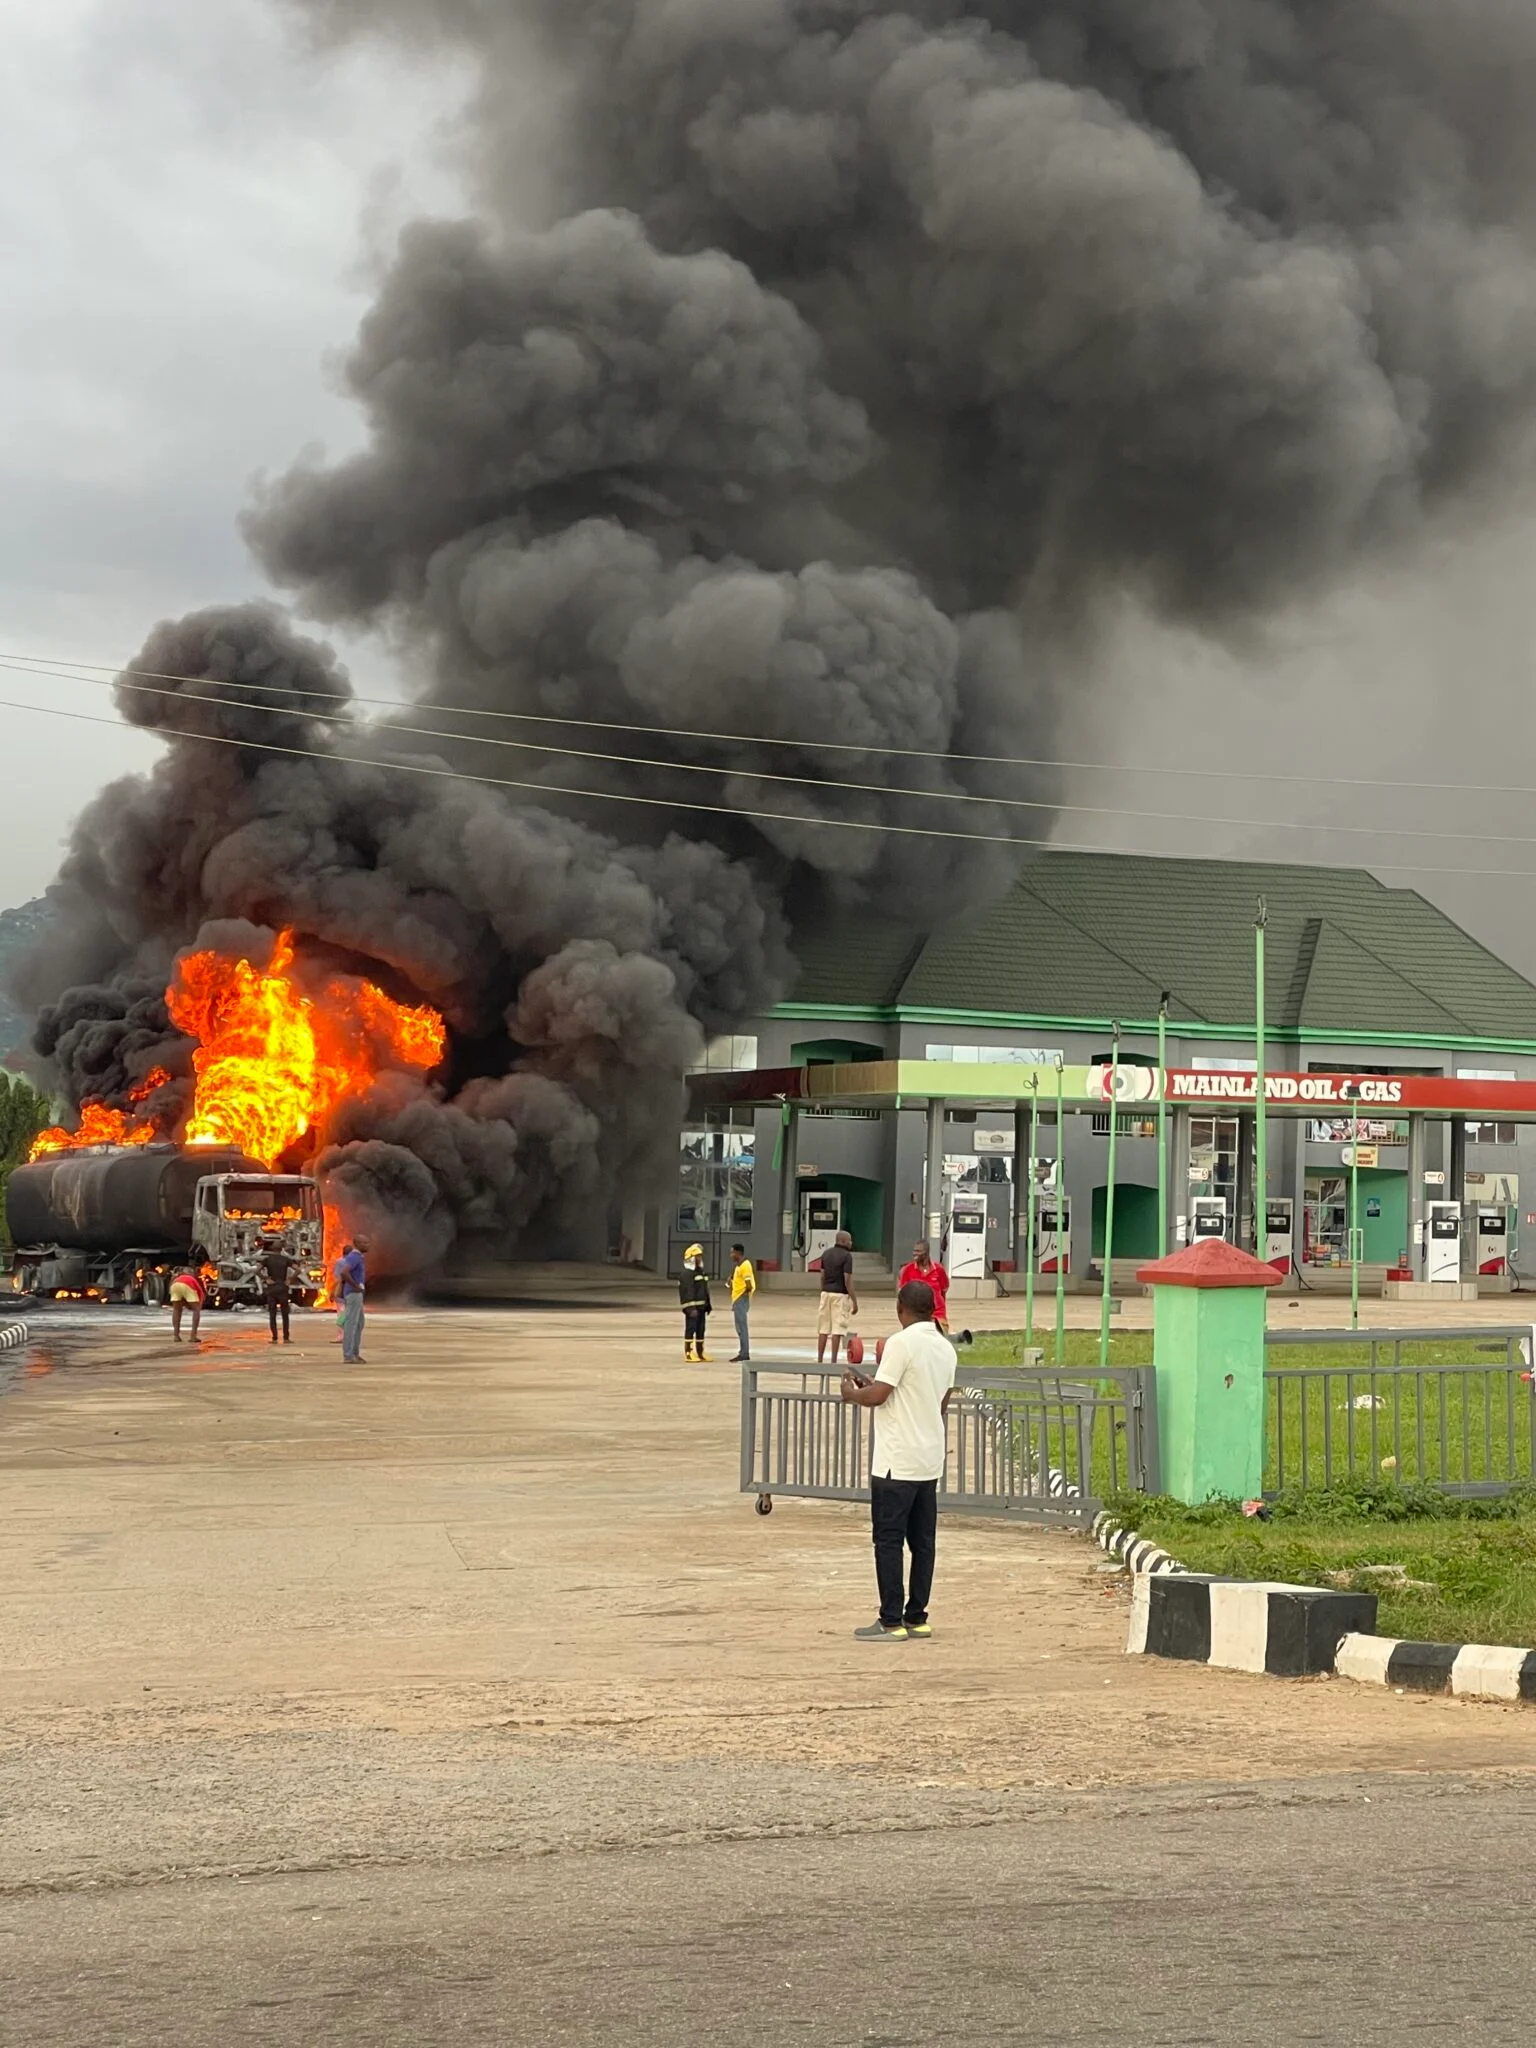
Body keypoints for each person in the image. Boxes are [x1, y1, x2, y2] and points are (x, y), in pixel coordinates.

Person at [840, 1277, 957, 1641]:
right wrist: (875, 1386)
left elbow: (878, 1397)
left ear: (901, 1309)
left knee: (889, 1540)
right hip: (928, 1459)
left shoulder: (900, 1344)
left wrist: (852, 1394)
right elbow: (938, 1403)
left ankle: (890, 1620)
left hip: (895, 1460)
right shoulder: (945, 1348)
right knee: (923, 1542)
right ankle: (916, 1617)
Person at [816, 1227, 858, 1367]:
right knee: (837, 1330)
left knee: (823, 1329)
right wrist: (854, 1300)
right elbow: (847, 1280)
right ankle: (833, 1361)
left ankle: (820, 1359)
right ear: (844, 1241)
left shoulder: (826, 1254)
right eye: (850, 1240)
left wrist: (823, 1289)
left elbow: (822, 1275)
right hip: (840, 1295)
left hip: (826, 1293)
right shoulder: (847, 1256)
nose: (851, 1243)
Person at [897, 1239, 950, 1334]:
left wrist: (940, 1310)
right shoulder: (908, 1270)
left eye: (918, 1251)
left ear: (926, 1252)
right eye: (914, 1251)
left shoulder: (939, 1269)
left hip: (938, 1316)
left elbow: (944, 1291)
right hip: (916, 1317)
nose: (914, 1253)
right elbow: (902, 1296)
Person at [334, 1238, 367, 1363]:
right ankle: (348, 1355)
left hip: (355, 1293)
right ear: (358, 1244)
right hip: (353, 1293)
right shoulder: (355, 1257)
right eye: (365, 1243)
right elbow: (344, 1272)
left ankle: (354, 1353)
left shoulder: (357, 1257)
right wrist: (355, 1286)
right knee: (351, 1323)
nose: (367, 1245)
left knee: (359, 1323)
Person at [679, 1244, 712, 1361]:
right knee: (690, 1329)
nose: (699, 1258)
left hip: (701, 1308)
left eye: (700, 1256)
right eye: (696, 1256)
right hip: (692, 1309)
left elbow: (704, 1290)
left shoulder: (700, 1273)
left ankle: (700, 1352)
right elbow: (686, 1292)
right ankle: (689, 1353)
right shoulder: (686, 1274)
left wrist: (708, 1305)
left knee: (701, 1330)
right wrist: (690, 1308)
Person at [261, 1242, 295, 1344]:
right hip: (282, 1288)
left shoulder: (267, 1260)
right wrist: (290, 1280)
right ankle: (286, 1337)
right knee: (285, 1314)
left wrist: (266, 1278)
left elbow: (256, 1270)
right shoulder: (285, 1260)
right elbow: (297, 1270)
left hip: (272, 1288)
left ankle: (274, 1338)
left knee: (273, 1314)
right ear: (281, 1250)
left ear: (271, 1249)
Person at [728, 1242, 756, 1362]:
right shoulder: (738, 1266)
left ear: (738, 1253)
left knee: (742, 1326)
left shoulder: (745, 1265)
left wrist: (742, 1296)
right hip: (737, 1299)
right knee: (739, 1327)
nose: (731, 1255)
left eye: (732, 1252)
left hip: (741, 1299)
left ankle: (744, 1353)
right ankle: (742, 1351)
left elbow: (748, 1284)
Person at [169, 1266, 206, 1344]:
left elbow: (171, 1291)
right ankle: (193, 1336)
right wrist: (198, 1306)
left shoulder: (177, 1278)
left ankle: (176, 1335)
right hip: (187, 1285)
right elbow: (200, 1293)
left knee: (176, 1310)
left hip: (174, 1286)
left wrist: (184, 1303)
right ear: (191, 1273)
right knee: (196, 1310)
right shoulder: (192, 1279)